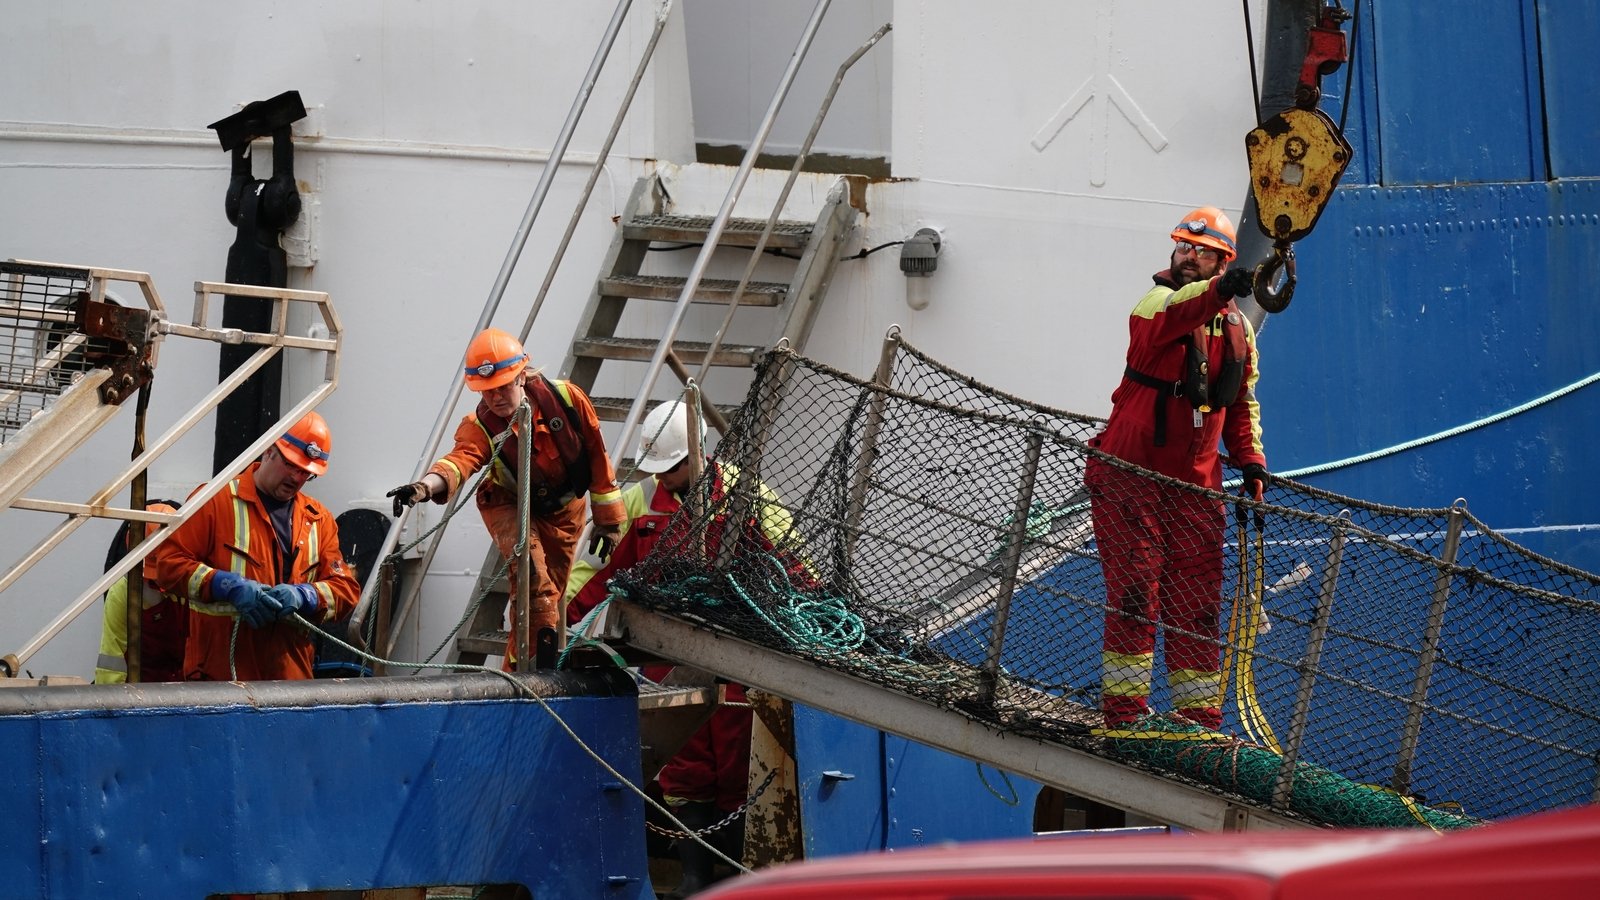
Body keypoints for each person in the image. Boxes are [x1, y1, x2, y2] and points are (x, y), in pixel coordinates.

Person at [567, 400, 803, 897]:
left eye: (672, 468)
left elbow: (784, 561)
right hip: (665, 660)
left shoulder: (743, 498)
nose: (665, 479)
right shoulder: (643, 507)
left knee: (739, 764)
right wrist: (567, 623)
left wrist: (818, 602)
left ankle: (736, 880)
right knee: (684, 768)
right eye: (660, 470)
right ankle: (694, 879)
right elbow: (609, 576)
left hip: (736, 656)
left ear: (696, 454)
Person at [1085, 206, 1270, 731]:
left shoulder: (1238, 331)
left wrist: (1252, 462)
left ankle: (1199, 721)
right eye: (1183, 247)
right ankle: (1125, 717)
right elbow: (1181, 309)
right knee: (1135, 595)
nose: (1188, 256)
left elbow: (1241, 405)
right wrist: (1218, 291)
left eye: (1201, 250)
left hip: (1197, 490)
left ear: (1223, 260)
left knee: (1197, 606)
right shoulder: (1155, 305)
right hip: (1130, 477)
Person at [386, 327, 626, 668]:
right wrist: (424, 487)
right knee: (534, 581)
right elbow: (460, 461)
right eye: (487, 392)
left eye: (502, 387)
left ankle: (523, 664)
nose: (496, 398)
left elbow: (597, 457)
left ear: (522, 376)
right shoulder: (480, 426)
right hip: (508, 504)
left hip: (564, 511)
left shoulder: (567, 400)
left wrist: (609, 522)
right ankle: (529, 674)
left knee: (550, 596)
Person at [153, 411, 361, 681]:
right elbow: (168, 566)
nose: (297, 478)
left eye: (306, 473)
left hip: (290, 683)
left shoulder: (318, 519)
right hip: (219, 679)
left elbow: (345, 590)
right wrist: (225, 586)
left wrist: (306, 596)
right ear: (269, 450)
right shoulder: (214, 500)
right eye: (291, 465)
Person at [94, 500, 187, 684]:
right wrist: (111, 705)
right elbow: (112, 659)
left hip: (191, 691)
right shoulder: (122, 591)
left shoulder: (190, 579)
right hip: (140, 694)